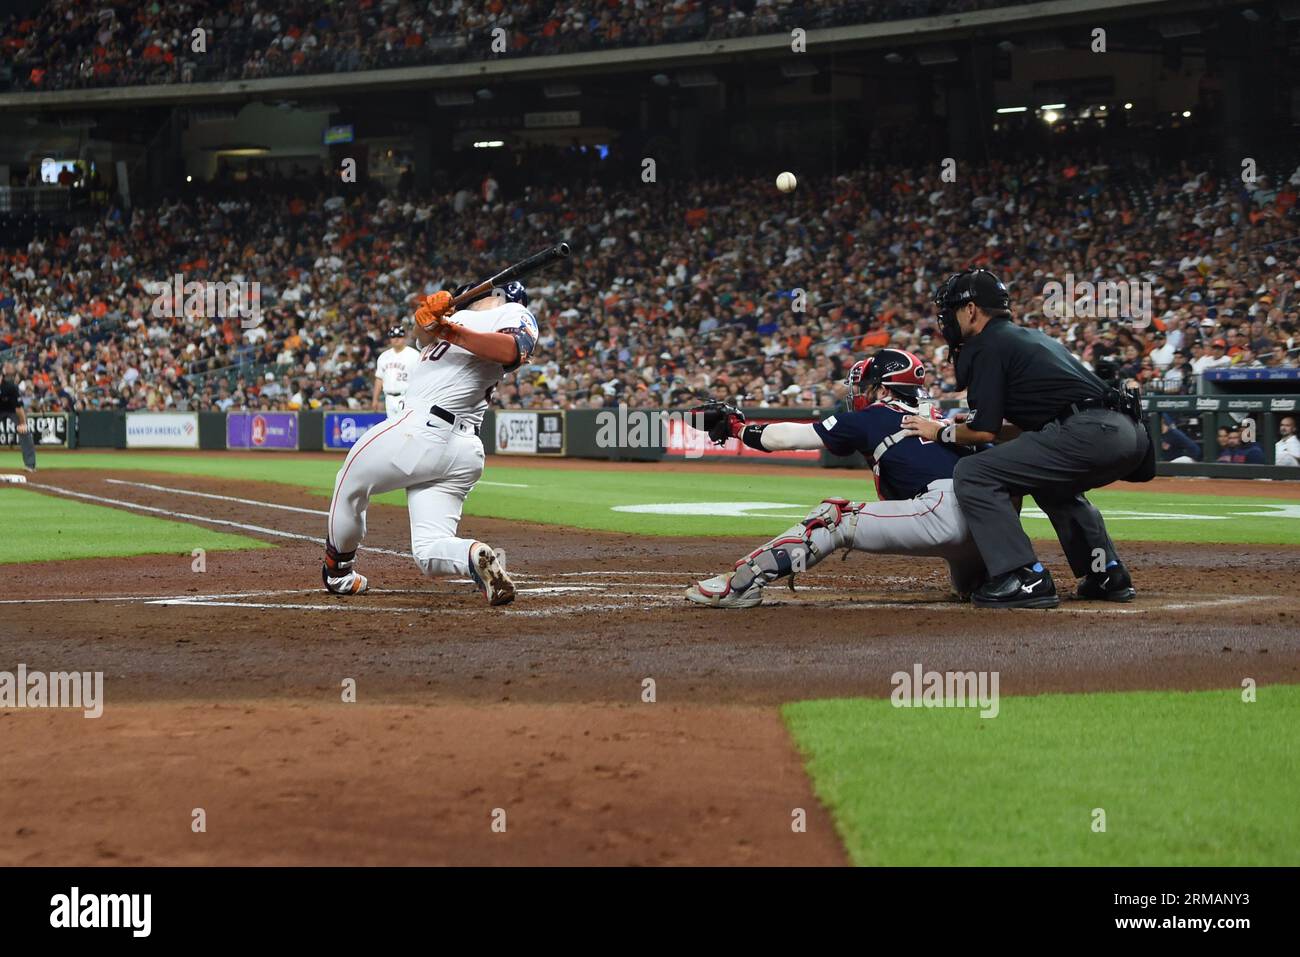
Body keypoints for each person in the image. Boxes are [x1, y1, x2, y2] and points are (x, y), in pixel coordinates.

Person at [903, 269, 1152, 609]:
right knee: (1051, 482)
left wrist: (940, 430)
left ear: (972, 310)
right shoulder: (1028, 337)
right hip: (1127, 434)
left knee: (974, 473)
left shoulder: (986, 344)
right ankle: (1105, 572)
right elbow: (1030, 428)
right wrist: (969, 428)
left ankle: (1022, 575)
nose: (946, 319)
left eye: (951, 309)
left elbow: (984, 432)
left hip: (1089, 431)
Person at [683, 349, 988, 608]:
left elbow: (784, 438)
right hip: (984, 525)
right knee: (971, 590)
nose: (859, 394)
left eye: (867, 387)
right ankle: (1002, 578)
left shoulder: (875, 416)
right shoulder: (946, 418)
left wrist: (736, 428)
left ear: (883, 390)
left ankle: (738, 586)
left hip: (940, 514)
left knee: (833, 519)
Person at [321, 281, 538, 606]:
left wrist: (447, 328)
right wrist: (425, 320)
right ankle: (472, 553)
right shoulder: (461, 320)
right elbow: (425, 336)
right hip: (459, 451)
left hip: (421, 430)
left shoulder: (512, 311)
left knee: (348, 482)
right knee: (428, 550)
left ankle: (338, 572)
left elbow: (512, 350)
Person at [371, 324, 420, 417]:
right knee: (393, 428)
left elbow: (420, 378)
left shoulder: (414, 355)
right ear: (390, 339)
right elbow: (379, 379)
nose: (396, 339)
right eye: (393, 336)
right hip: (388, 398)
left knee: (406, 427)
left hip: (406, 397)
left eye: (399, 336)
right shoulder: (384, 356)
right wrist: (375, 399)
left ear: (404, 338)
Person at [0, 363, 36, 472]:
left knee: (25, 432)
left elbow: (19, 409)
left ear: (2, 376)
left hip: (12, 410)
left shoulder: (11, 387)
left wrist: (23, 424)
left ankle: (30, 465)